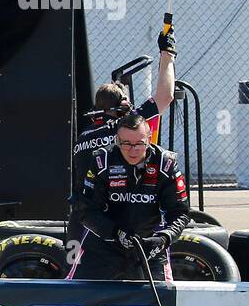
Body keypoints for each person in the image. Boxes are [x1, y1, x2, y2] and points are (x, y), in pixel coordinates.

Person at [69, 113, 190, 282]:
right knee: (77, 297)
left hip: (149, 247)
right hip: (104, 246)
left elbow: (180, 212)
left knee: (163, 300)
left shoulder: (165, 163)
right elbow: (85, 209)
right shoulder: (101, 161)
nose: (133, 150)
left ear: (149, 139)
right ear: (117, 140)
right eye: (126, 144)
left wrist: (164, 238)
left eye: (139, 144)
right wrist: (115, 232)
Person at [69, 25, 177, 213]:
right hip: (116, 215)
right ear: (122, 108)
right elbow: (165, 96)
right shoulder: (123, 127)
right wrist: (167, 53)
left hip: (83, 215)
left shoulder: (83, 135)